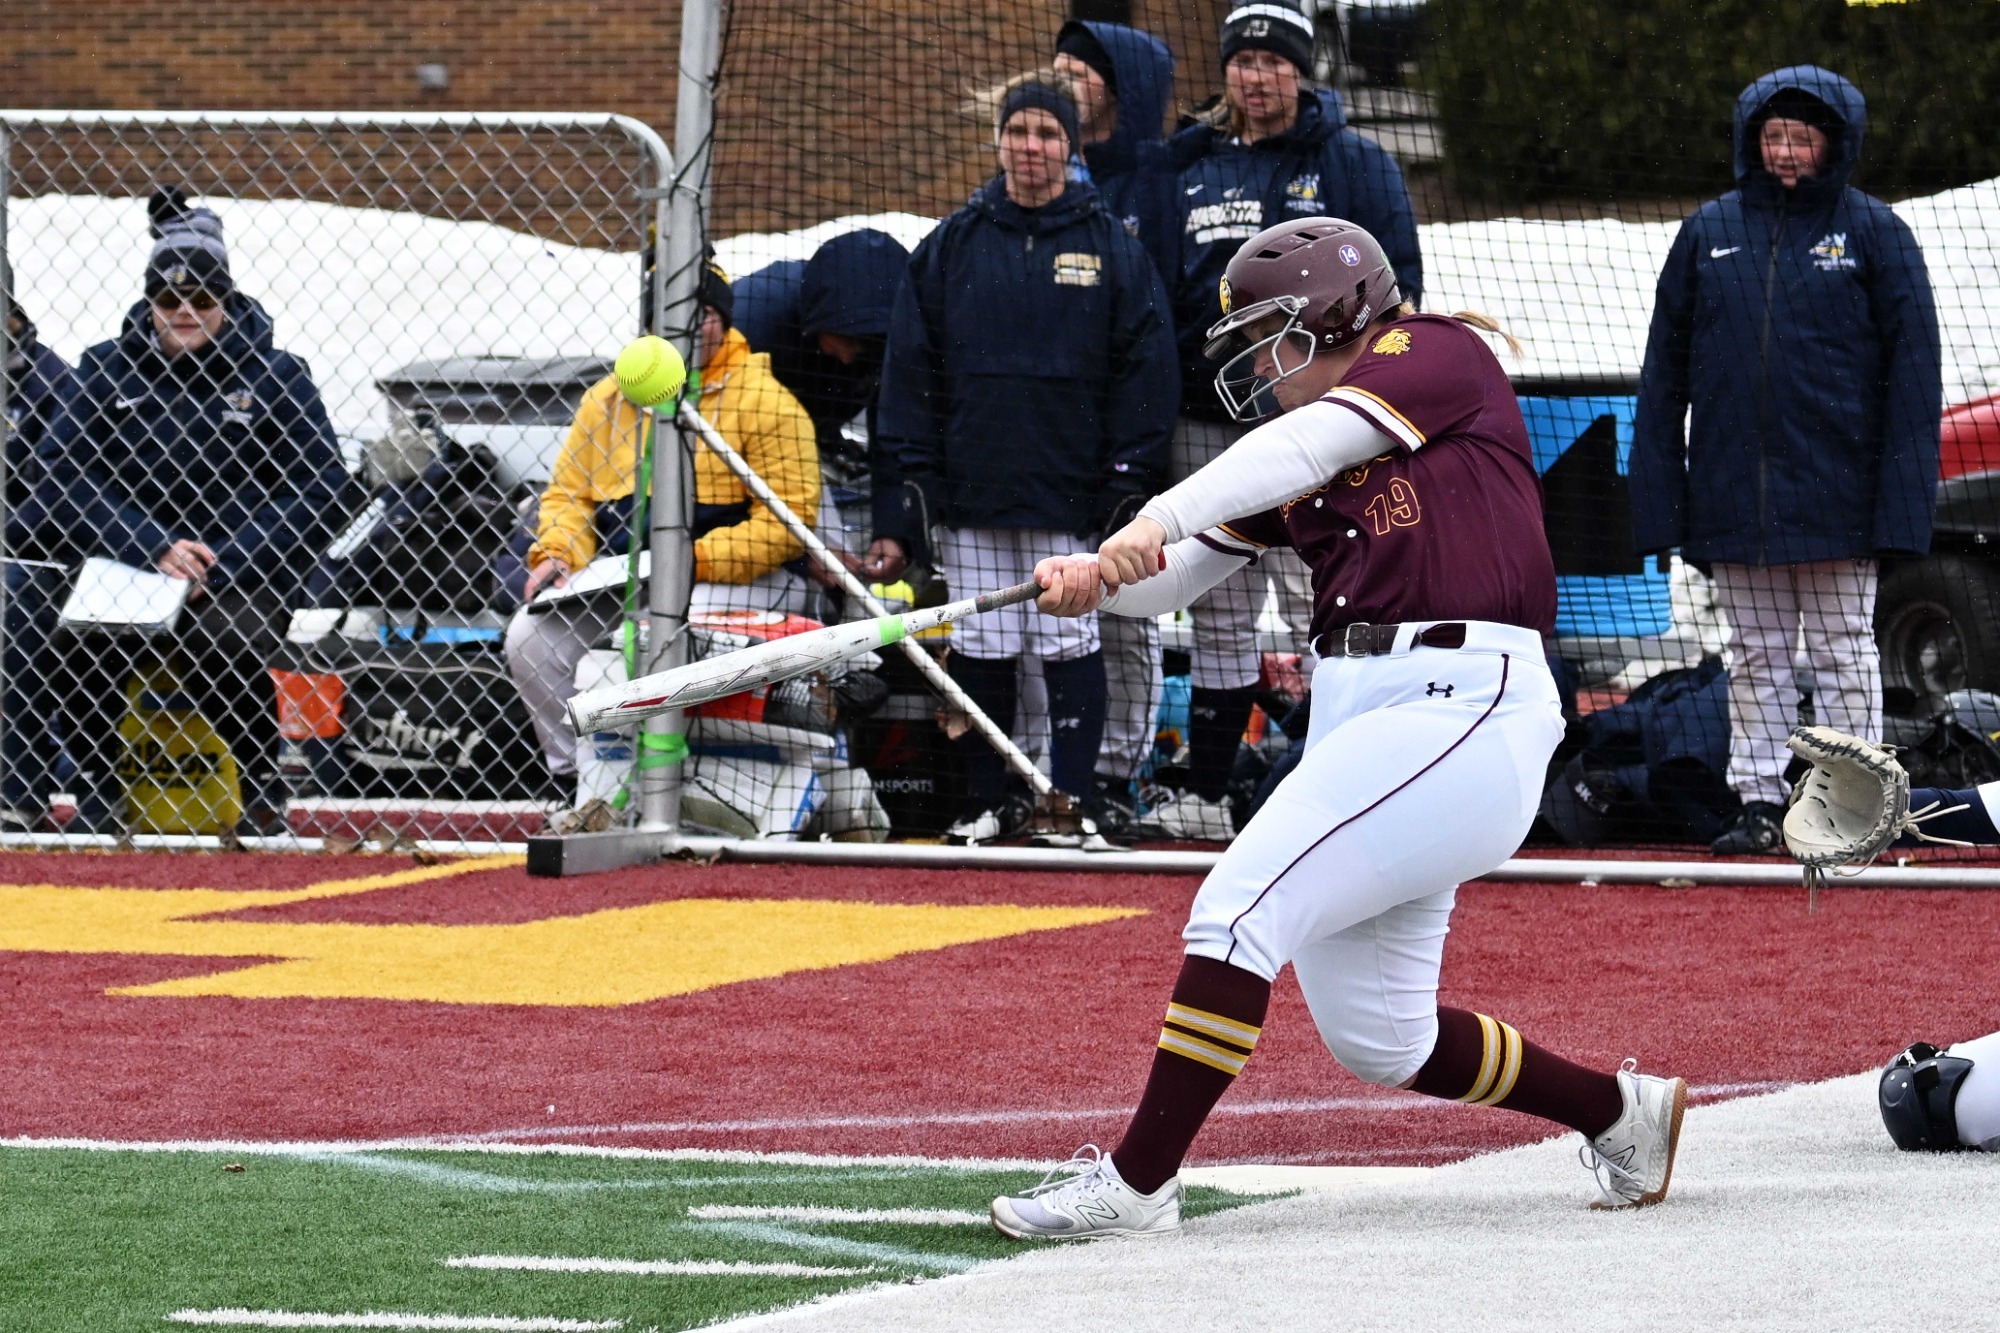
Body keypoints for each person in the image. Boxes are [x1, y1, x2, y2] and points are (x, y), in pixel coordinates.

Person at [990, 217, 1685, 1239]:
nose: (1259, 365)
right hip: (1365, 712)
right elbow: (1181, 573)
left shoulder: (1431, 352)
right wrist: (1098, 579)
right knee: (1381, 1036)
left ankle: (1138, 1182)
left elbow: (1299, 446)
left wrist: (1153, 517)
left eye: (1272, 335)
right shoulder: (1297, 447)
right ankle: (1619, 1115)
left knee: (1235, 911)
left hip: (1462, 694)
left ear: (1334, 311)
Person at [1630, 66, 1941, 857]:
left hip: (1842, 496)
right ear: (1751, 140)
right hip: (1735, 499)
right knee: (1755, 658)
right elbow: (1663, 373)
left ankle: (1856, 808)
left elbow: (1915, 378)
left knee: (1842, 651)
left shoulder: (1876, 232)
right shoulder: (1707, 232)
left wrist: (1901, 504)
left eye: (1802, 135)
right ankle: (1761, 800)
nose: (1787, 150)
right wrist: (1662, 500)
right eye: (1773, 135)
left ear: (1835, 141)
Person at [870, 76, 1178, 842]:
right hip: (972, 496)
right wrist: (914, 487)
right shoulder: (952, 244)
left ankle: (1065, 803)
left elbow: (1147, 371)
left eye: (1047, 134)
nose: (1031, 148)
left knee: (1069, 641)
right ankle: (986, 801)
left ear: (1071, 147)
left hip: (1071, 498)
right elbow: (909, 368)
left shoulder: (1113, 247)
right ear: (999, 140)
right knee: (983, 646)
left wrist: (1126, 482)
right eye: (1020, 133)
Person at [1150, 0, 1424, 842]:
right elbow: (1157, 295)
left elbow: (1400, 287)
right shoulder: (1185, 167)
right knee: (1220, 608)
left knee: (1329, 587)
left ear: (1301, 71)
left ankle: (1323, 782)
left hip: (1326, 418)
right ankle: (1208, 787)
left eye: (1274, 62)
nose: (1256, 76)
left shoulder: (1351, 161)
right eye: (1242, 61)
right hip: (1208, 418)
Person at [42, 199, 347, 836]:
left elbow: (323, 485)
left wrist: (227, 558)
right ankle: (101, 785)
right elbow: (61, 474)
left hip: (241, 569)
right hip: (132, 563)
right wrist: (150, 544)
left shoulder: (276, 374)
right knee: (74, 639)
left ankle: (260, 787)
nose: (185, 312)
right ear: (149, 300)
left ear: (227, 301)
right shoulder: (104, 370)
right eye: (168, 298)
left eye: (204, 299)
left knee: (223, 642)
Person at [504, 262, 819, 796]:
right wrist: (557, 552)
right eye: (674, 316)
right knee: (531, 636)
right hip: (629, 576)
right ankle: (579, 780)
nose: (693, 327)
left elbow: (789, 524)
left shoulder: (768, 402)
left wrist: (696, 560)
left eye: (708, 314)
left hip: (737, 579)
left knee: (663, 629)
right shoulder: (607, 400)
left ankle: (679, 786)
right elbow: (569, 496)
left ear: (725, 320)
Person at [1050, 18, 1177, 836]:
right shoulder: (1047, 172)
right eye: (1058, 65)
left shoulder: (1159, 179)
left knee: (1126, 602)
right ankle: (1052, 772)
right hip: (1051, 434)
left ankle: (1116, 769)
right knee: (1055, 598)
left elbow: (1158, 317)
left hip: (1129, 433)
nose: (1064, 78)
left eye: (1082, 70)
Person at [731, 228, 909, 488]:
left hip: (817, 416)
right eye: (846, 341)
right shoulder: (753, 318)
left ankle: (823, 439)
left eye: (862, 347)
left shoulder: (884, 334)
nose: (848, 357)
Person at [2, 261, 77, 829]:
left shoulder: (51, 383)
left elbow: (58, 491)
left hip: (33, 551)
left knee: (13, 591)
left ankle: (17, 790)